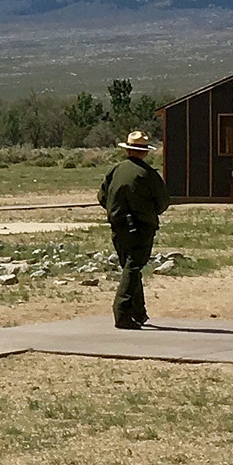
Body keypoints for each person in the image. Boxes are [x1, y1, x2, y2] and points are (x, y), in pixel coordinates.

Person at [98, 130, 170, 330]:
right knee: (133, 267)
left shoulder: (115, 170)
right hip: (141, 227)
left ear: (127, 150)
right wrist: (149, 213)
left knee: (129, 267)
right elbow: (162, 201)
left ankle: (138, 312)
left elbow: (102, 197)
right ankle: (122, 311)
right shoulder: (148, 174)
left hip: (118, 225)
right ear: (145, 152)